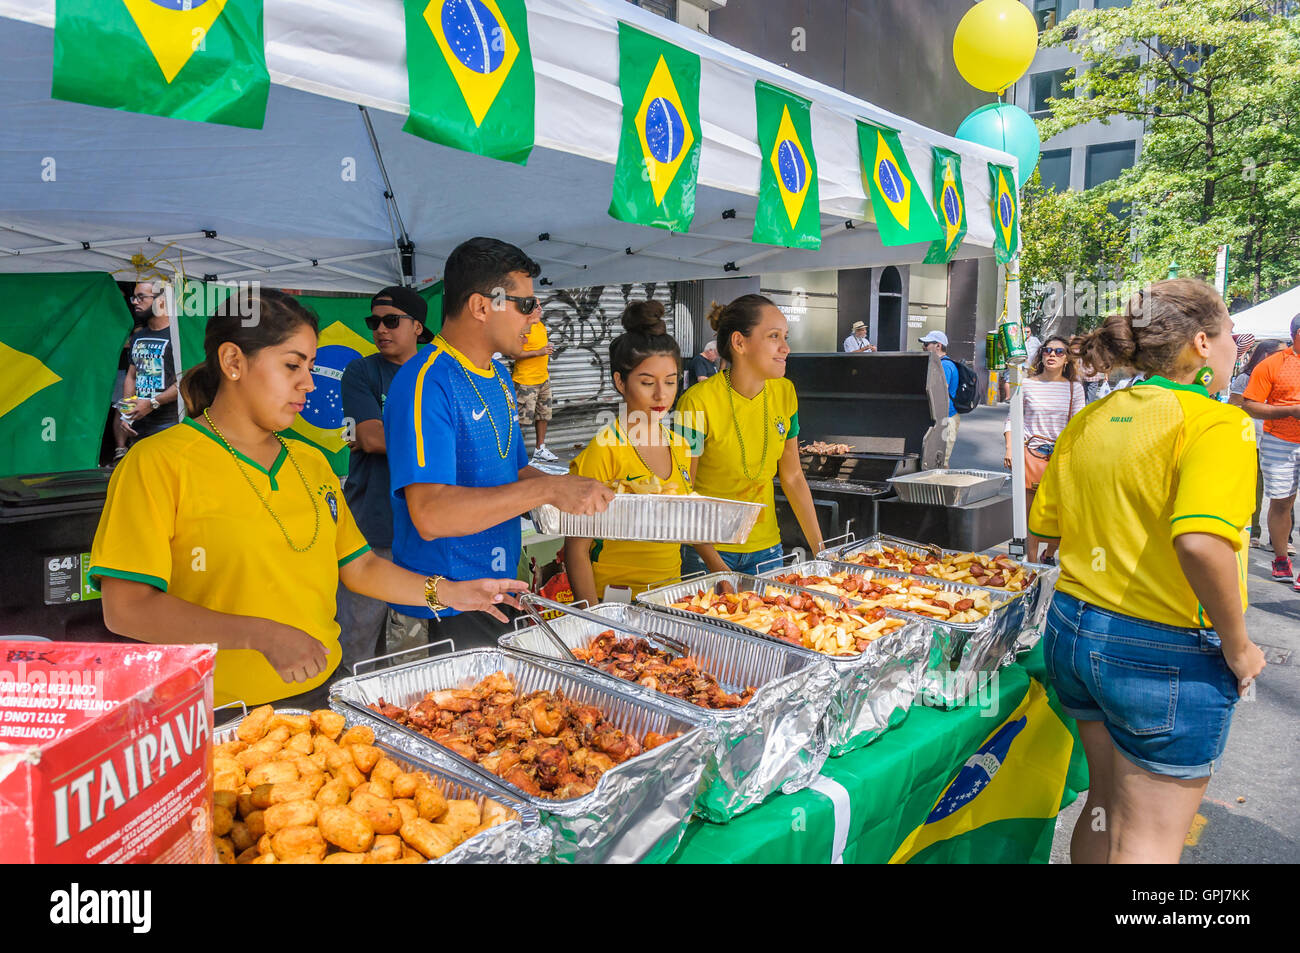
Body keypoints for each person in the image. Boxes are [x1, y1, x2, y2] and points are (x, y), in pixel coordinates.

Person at [88, 291, 524, 708]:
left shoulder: (309, 462)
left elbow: (361, 566)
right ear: (233, 361)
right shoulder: (158, 462)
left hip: (320, 699)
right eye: (293, 366)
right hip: (213, 715)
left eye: (311, 367)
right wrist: (261, 635)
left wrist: (449, 593)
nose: (310, 385)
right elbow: (126, 608)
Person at [1032, 278, 1266, 864]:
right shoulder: (1217, 423)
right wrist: (1239, 647)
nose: (1237, 348)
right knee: (1150, 837)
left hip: (1074, 631)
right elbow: (1201, 544)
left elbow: (1046, 533)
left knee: (1105, 805)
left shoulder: (1094, 417)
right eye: (1232, 336)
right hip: (1162, 648)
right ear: (1203, 343)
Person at [384, 237, 614, 653]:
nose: (536, 314)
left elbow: (515, 471)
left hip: (499, 594)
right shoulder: (426, 381)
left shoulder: (500, 377)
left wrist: (571, 490)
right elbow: (430, 515)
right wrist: (547, 489)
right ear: (480, 306)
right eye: (525, 303)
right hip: (443, 608)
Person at [565, 302, 727, 605]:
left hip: (671, 596)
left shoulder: (681, 444)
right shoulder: (604, 449)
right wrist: (594, 618)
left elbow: (686, 518)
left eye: (670, 381)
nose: (661, 395)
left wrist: (721, 571)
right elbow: (576, 549)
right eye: (647, 382)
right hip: (615, 600)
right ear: (620, 382)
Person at [676, 295, 824, 575]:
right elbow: (685, 491)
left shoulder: (785, 393)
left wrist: (821, 550)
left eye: (785, 336)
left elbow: (792, 476)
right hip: (708, 552)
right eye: (773, 336)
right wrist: (716, 565)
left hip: (767, 549)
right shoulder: (696, 403)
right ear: (739, 342)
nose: (786, 348)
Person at [334, 286, 429, 677]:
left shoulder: (437, 372)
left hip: (427, 527)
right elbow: (370, 438)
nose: (381, 329)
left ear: (418, 326)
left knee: (419, 640)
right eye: (374, 322)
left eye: (392, 321)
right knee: (357, 636)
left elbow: (377, 438)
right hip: (372, 525)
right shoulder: (362, 371)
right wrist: (438, 445)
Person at [1002, 335, 1084, 564]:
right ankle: (1031, 563)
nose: (1052, 355)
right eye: (1047, 350)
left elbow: (1078, 424)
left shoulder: (1074, 389)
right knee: (1029, 515)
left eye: (1059, 352)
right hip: (1031, 455)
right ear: (1041, 355)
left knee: (1058, 514)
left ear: (1067, 359)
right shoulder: (1027, 384)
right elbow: (1013, 419)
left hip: (1061, 457)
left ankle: (1049, 555)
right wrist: (1010, 448)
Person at [1241, 313, 1300, 588]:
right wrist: (1290, 411)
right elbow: (1250, 404)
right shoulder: (1274, 364)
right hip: (1281, 441)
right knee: (1282, 502)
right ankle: (1280, 558)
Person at [1230, 340, 1290, 552]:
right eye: (1280, 352)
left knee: (1284, 494)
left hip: (1279, 439)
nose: (1286, 356)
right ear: (1265, 355)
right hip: (1253, 439)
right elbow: (1235, 406)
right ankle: (1253, 532)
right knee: (1256, 489)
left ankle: (1283, 540)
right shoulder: (1246, 378)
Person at [119, 280, 180, 450]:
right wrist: (126, 413)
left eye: (141, 297)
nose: (135, 302)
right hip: (139, 421)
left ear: (161, 300)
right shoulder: (139, 336)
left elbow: (185, 381)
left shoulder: (177, 336)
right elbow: (131, 375)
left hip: (168, 421)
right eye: (134, 298)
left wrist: (152, 403)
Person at [512, 306, 557, 463]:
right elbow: (513, 353)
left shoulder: (540, 325)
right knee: (521, 421)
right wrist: (538, 352)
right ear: (527, 309)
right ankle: (515, 454)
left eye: (540, 305)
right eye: (536, 306)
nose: (540, 308)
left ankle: (540, 449)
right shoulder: (522, 328)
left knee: (543, 415)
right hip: (526, 381)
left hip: (543, 379)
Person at [919, 330, 960, 467]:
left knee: (941, 462)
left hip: (946, 420)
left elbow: (941, 390)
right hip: (940, 419)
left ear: (938, 346)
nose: (923, 346)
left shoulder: (945, 365)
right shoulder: (938, 364)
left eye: (926, 344)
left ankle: (941, 488)